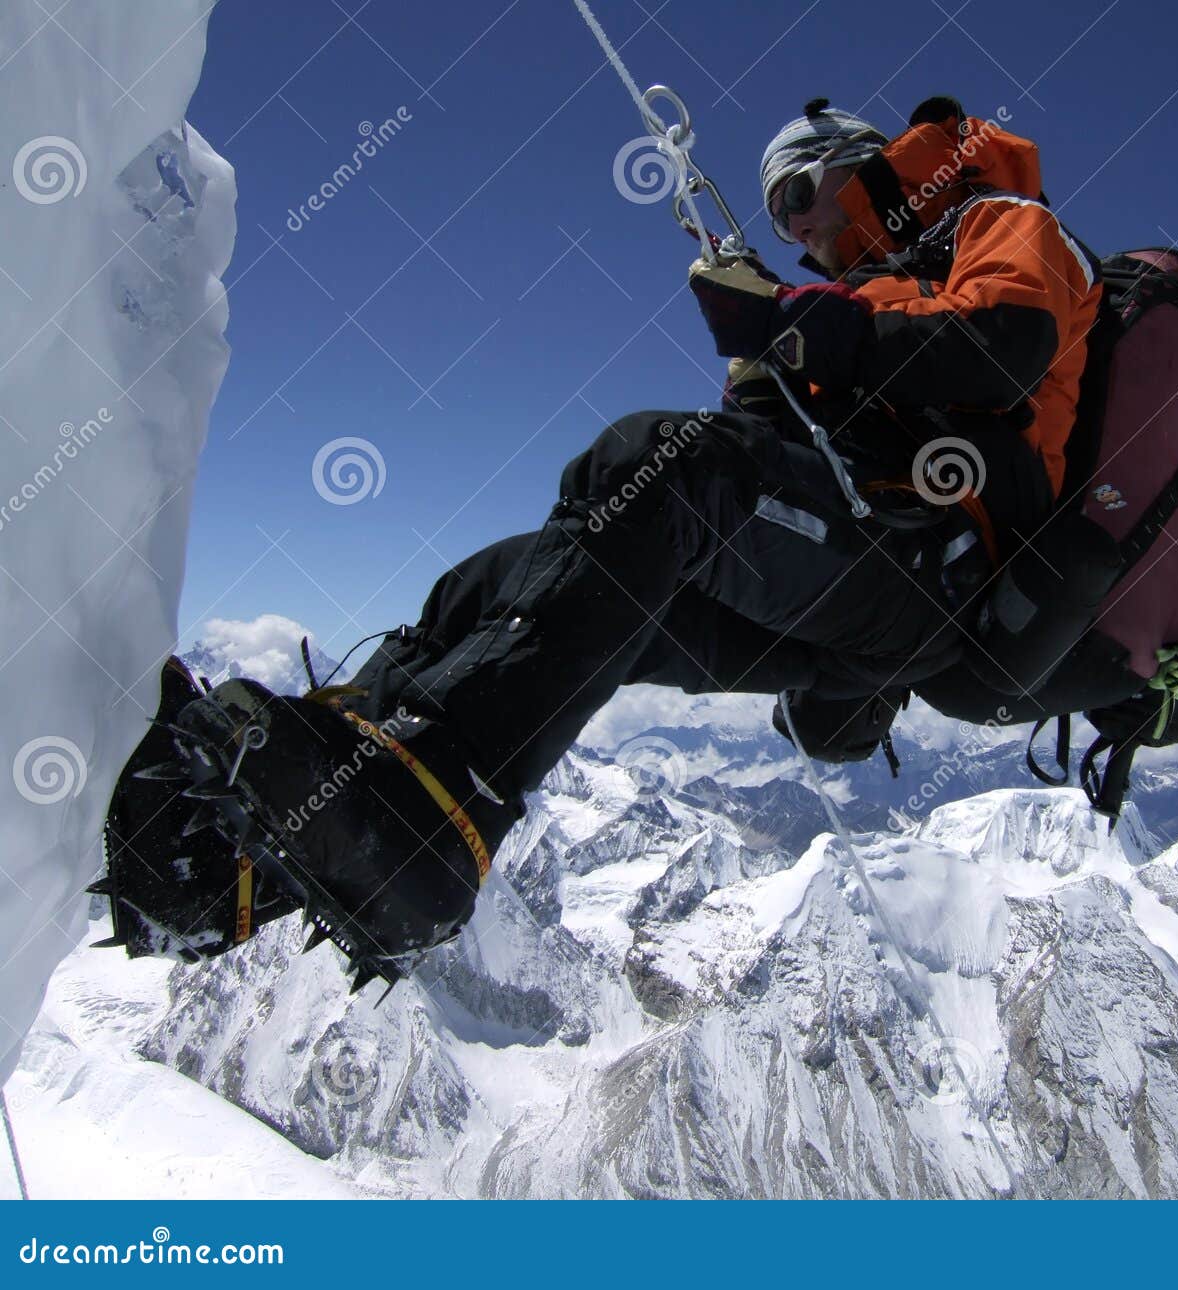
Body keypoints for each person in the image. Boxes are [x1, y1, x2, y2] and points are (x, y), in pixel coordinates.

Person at [104, 96, 1104, 982]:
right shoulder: (862, 304)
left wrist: (793, 330)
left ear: (870, 158)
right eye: (781, 214)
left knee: (655, 467)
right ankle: (241, 866)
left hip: (934, 579)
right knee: (509, 578)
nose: (799, 231)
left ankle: (434, 821)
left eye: (801, 193)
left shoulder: (994, 218)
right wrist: (772, 374)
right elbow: (783, 473)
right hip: (854, 596)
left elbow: (1002, 347)